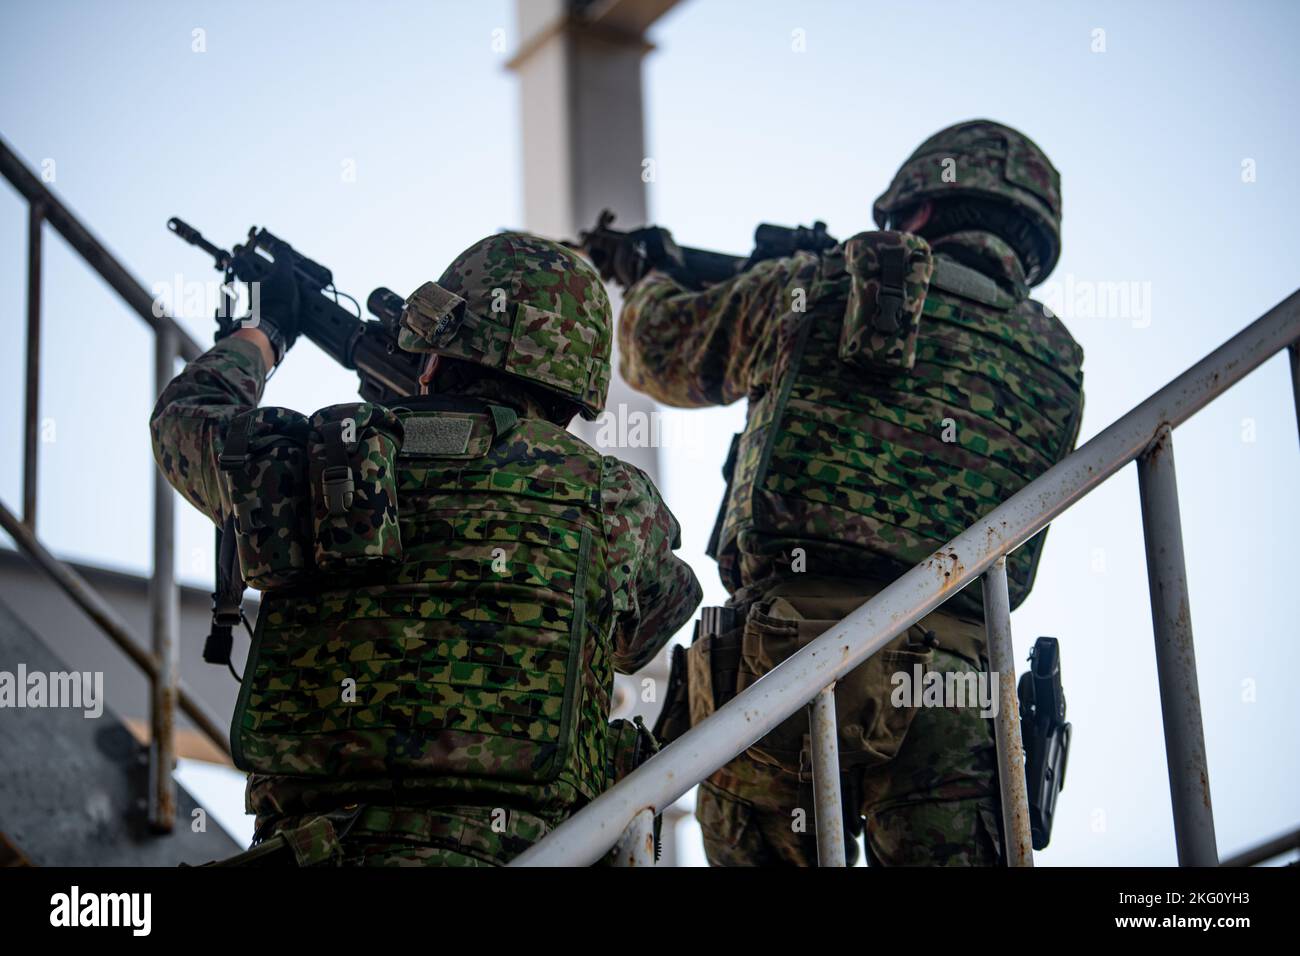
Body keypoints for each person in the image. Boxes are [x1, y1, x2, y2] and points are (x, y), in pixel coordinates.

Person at [151, 231, 701, 866]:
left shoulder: (312, 463)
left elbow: (183, 420)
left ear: (434, 351)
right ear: (576, 392)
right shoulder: (613, 500)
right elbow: (646, 631)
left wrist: (265, 329)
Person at [617, 120, 1085, 866]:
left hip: (784, 666)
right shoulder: (1057, 358)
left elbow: (660, 353)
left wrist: (644, 277)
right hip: (959, 689)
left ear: (922, 208)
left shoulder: (820, 282)